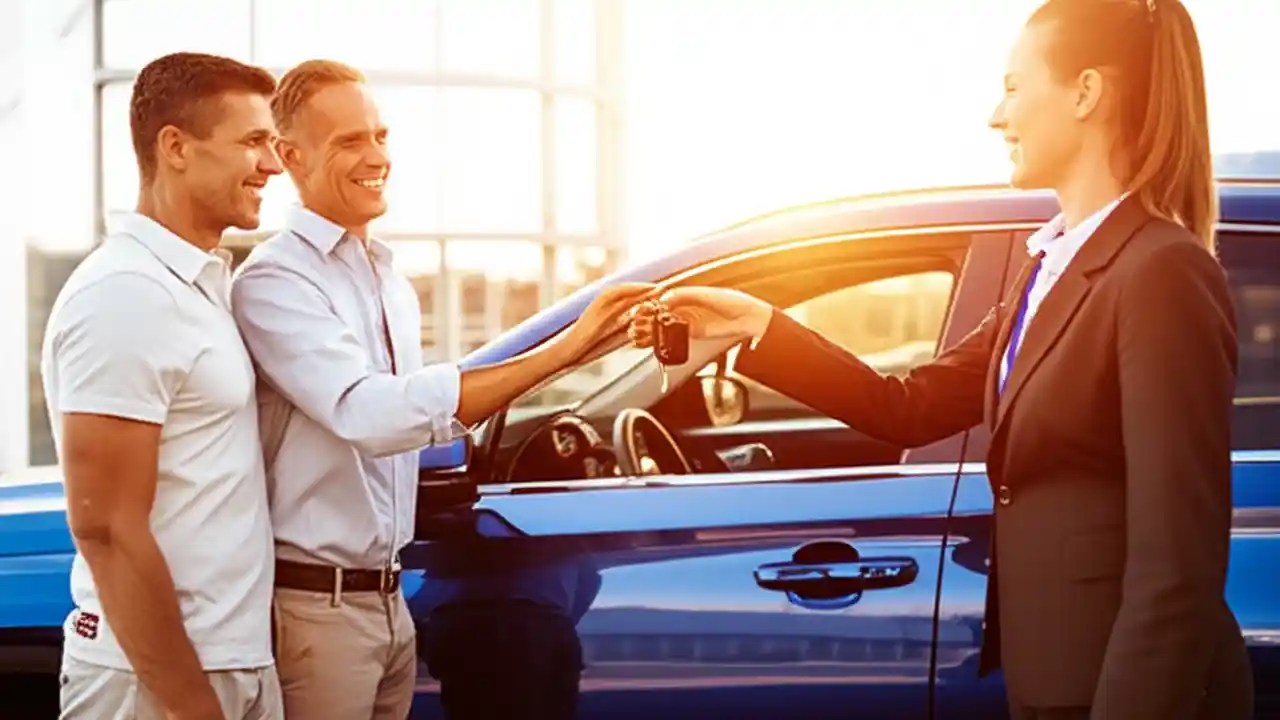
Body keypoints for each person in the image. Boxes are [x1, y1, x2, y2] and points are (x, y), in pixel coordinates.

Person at [628, 1, 1252, 718]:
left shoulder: (1158, 272)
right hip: (1054, 683)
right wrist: (758, 326)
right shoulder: (1048, 269)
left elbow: (1177, 564)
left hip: (1123, 692)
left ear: (1085, 93)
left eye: (1015, 87)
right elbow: (909, 407)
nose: (996, 115)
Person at [229, 59, 649, 720]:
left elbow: (417, 426)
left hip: (390, 601)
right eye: (349, 142)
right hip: (318, 614)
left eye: (380, 135)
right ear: (290, 156)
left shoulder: (386, 277)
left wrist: (588, 348)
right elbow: (370, 414)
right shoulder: (275, 282)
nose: (377, 157)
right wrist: (561, 350)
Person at [40, 52, 284, 720]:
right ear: (175, 147)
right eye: (253, 142)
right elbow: (106, 529)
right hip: (158, 685)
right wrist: (191, 705)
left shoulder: (199, 287)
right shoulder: (126, 296)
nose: (275, 163)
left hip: (230, 662)